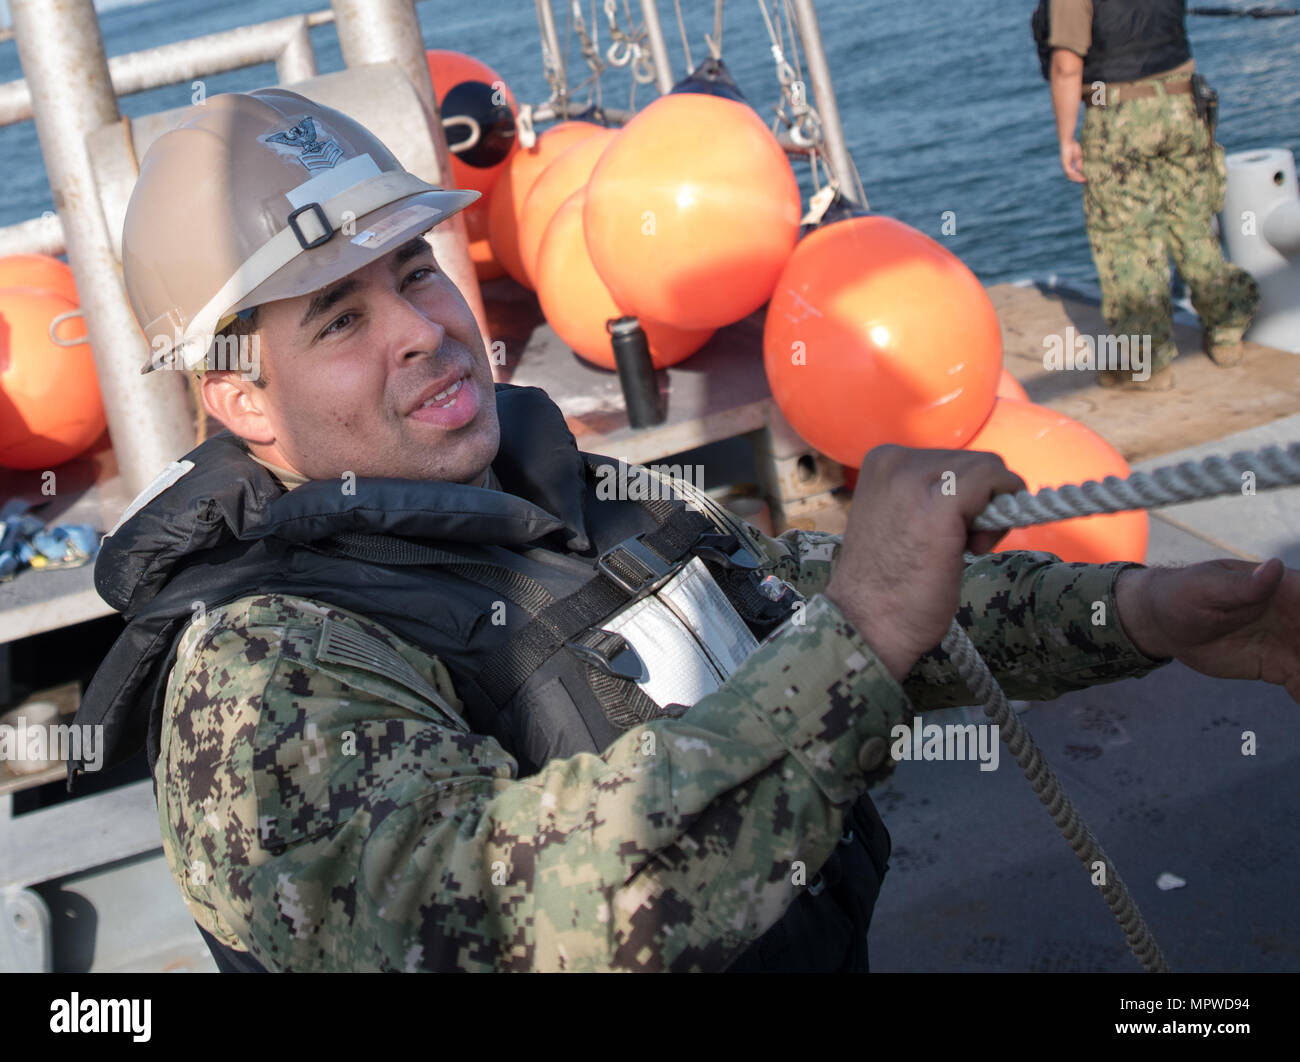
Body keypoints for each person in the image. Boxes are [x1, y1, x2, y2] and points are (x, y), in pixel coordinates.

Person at [72, 89, 1300, 972]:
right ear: (239, 397)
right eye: (338, 319)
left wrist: (1128, 614)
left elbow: (804, 598)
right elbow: (506, 921)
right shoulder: (260, 677)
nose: (422, 328)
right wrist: (862, 630)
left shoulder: (559, 491)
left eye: (415, 272)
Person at [1043, 0, 1260, 390]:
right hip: (1183, 103)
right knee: (1192, 222)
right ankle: (1227, 332)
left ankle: (1148, 363)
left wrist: (1065, 138)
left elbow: (1066, 66)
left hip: (1117, 113)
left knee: (1126, 241)